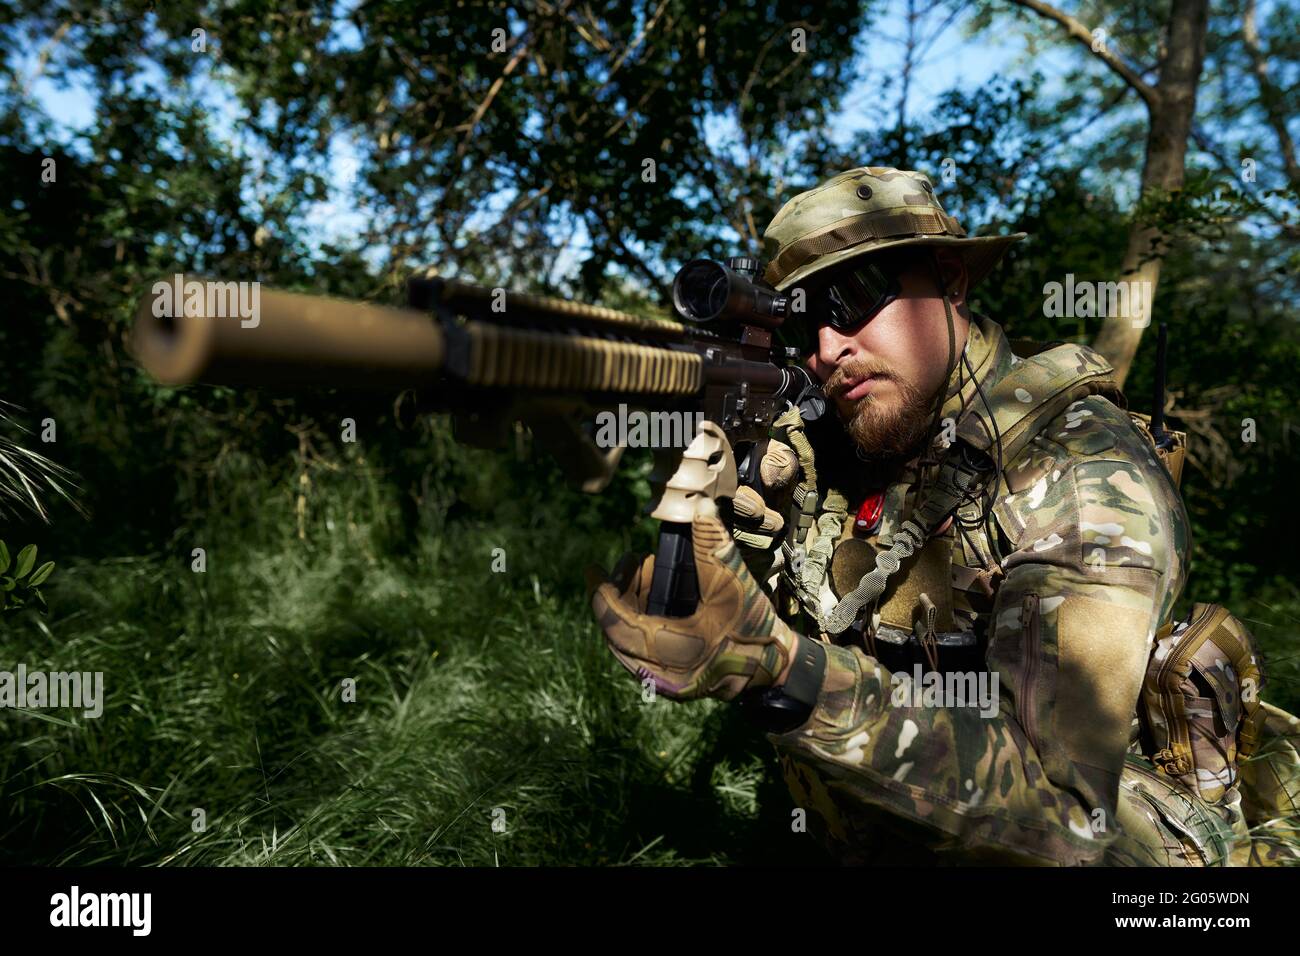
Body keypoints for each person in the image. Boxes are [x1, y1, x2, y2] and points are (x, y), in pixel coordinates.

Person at [588, 166, 1300, 865]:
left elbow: (1067, 819)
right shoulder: (840, 442)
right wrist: (735, 544)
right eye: (804, 321)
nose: (830, 349)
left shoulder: (1081, 476)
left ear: (953, 283)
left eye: (855, 298)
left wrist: (781, 671)